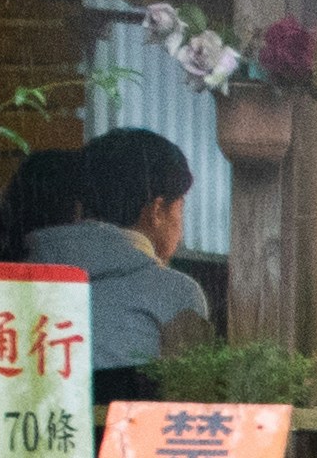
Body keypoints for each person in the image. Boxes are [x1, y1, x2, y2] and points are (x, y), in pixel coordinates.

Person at [24, 126, 218, 402]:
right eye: (180, 206)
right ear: (157, 211)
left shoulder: (24, 275)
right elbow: (191, 406)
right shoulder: (175, 292)